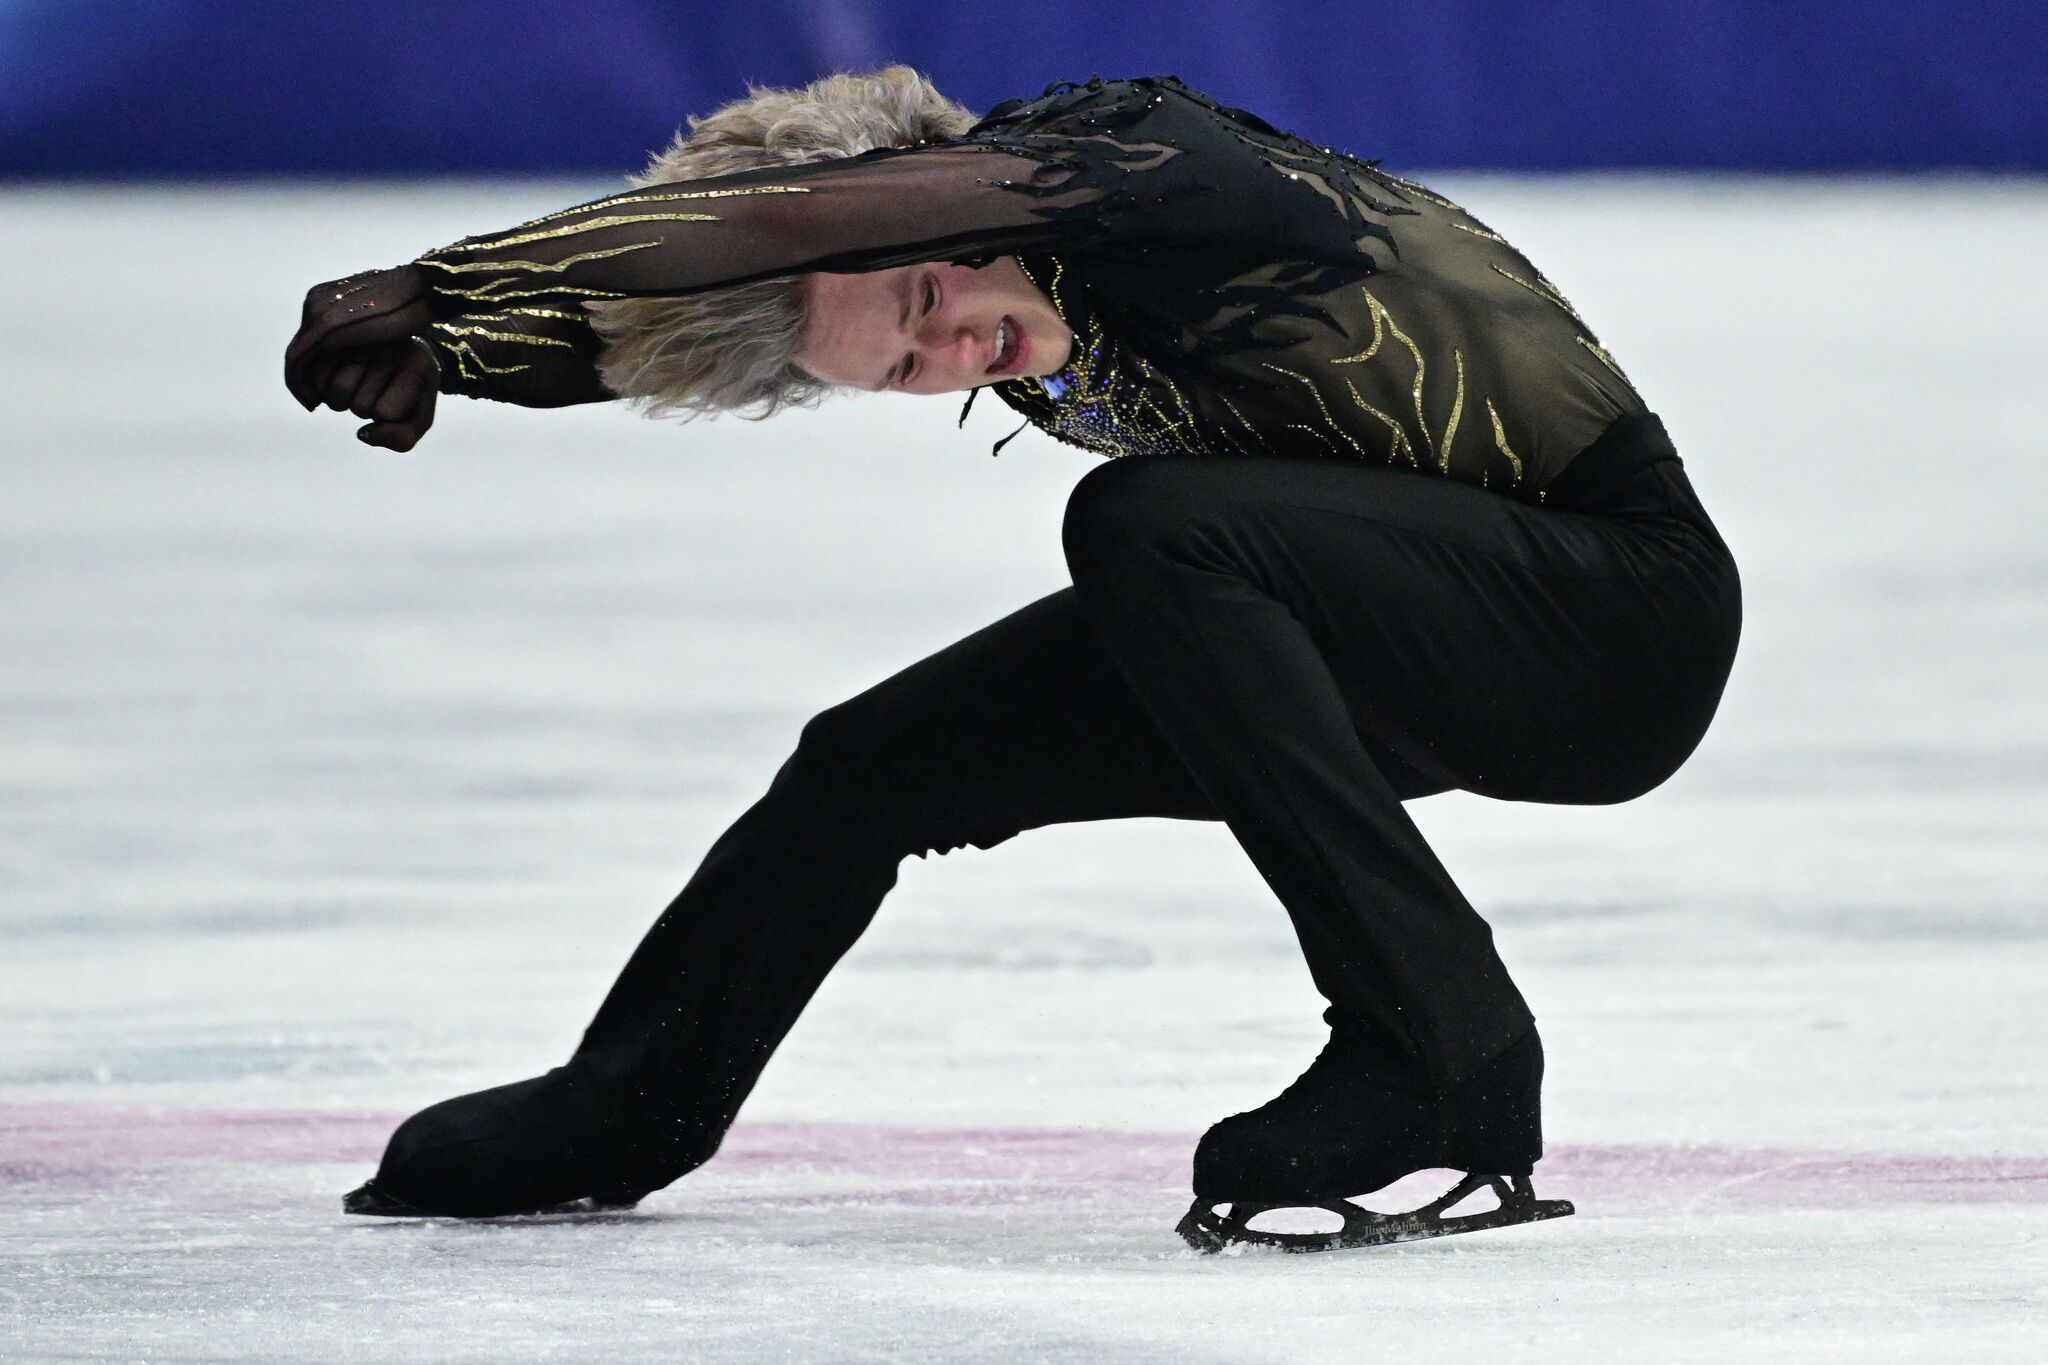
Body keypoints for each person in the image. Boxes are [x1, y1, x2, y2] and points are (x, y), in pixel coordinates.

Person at [284, 68, 1740, 1251]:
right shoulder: (992, 284)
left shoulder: (1134, 164)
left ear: (931, 202)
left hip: (1615, 621)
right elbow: (642, 334)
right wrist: (457, 351)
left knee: (1149, 526)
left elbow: (786, 220)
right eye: (910, 372)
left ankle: (1438, 1047)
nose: (962, 350)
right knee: (872, 764)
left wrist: (439, 276)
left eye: (928, 305)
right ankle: (625, 1106)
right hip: (1383, 630)